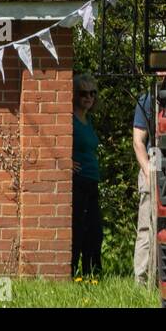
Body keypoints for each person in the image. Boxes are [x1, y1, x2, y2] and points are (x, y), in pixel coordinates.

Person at [132, 70, 166, 286]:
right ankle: (141, 280)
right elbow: (138, 141)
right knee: (147, 225)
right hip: (153, 159)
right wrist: (147, 170)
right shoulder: (147, 100)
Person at [71, 72, 103, 280]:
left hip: (92, 181)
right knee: (78, 230)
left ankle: (93, 272)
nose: (88, 98)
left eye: (92, 93)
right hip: (78, 181)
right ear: (75, 95)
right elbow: (57, 144)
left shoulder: (88, 119)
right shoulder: (69, 120)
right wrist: (65, 161)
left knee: (96, 230)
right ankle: (73, 272)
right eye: (84, 93)